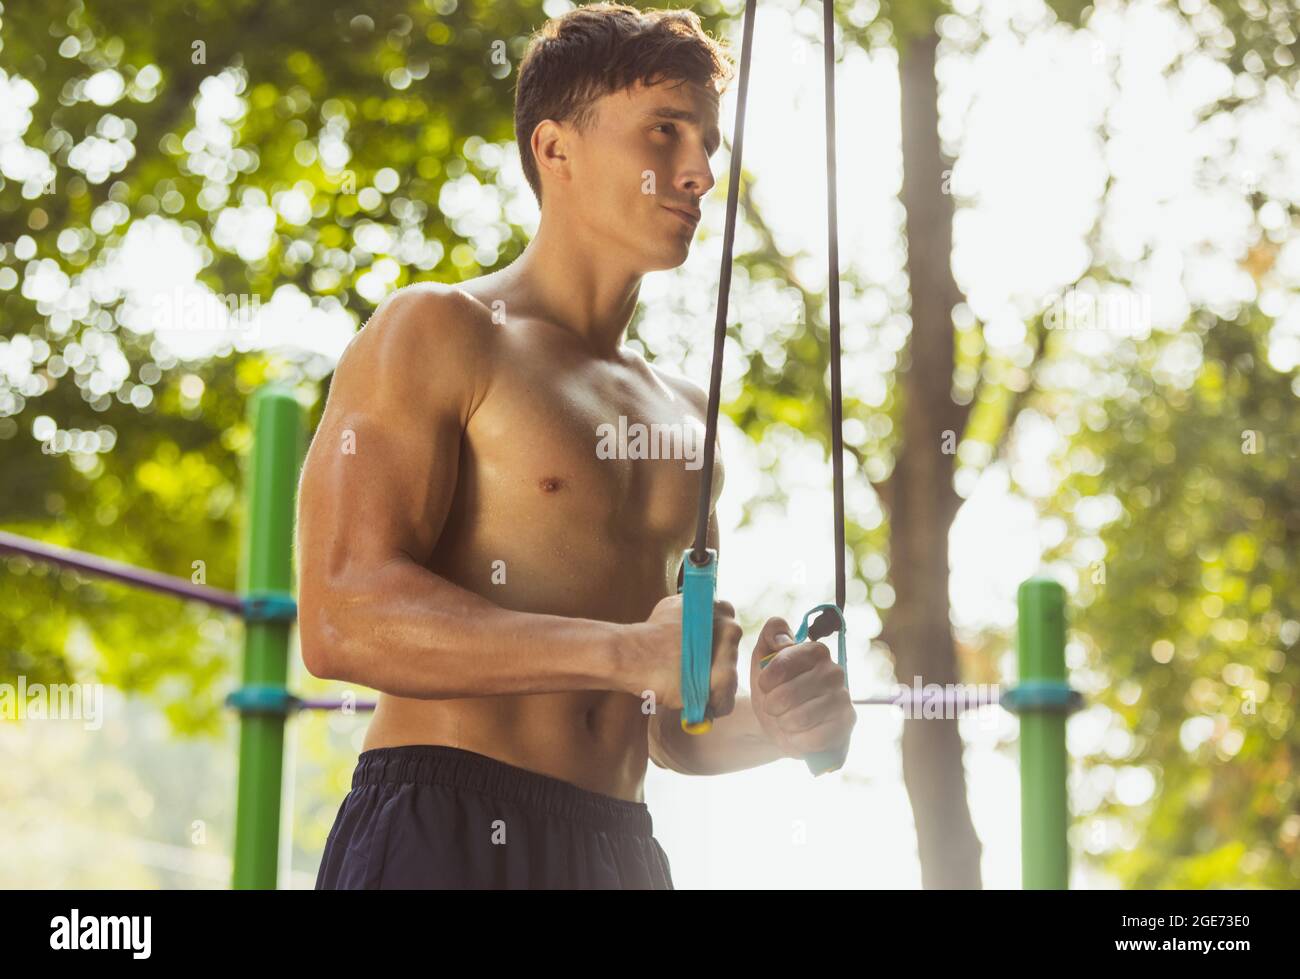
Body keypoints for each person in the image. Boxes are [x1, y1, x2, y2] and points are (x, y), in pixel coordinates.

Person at [300, 1, 856, 890]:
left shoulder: (686, 421)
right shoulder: (439, 330)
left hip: (618, 846)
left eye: (708, 142)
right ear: (555, 150)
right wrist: (620, 651)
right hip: (440, 822)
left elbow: (671, 728)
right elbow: (341, 617)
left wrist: (779, 726)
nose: (700, 171)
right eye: (664, 131)